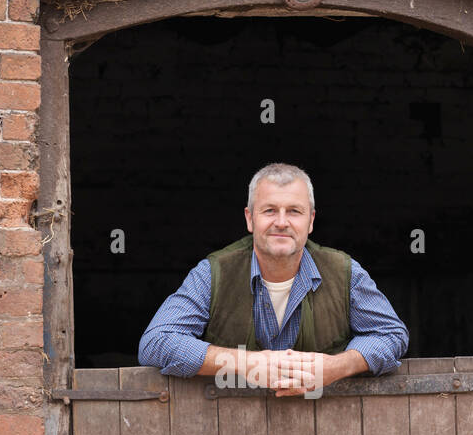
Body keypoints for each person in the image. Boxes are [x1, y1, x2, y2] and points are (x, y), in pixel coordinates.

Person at [138, 163, 409, 397]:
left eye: (294, 211)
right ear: (250, 218)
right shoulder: (213, 273)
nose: (281, 222)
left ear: (310, 221)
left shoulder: (344, 272)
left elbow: (391, 335)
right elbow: (157, 342)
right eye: (269, 210)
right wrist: (246, 363)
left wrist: (337, 366)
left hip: (328, 434)